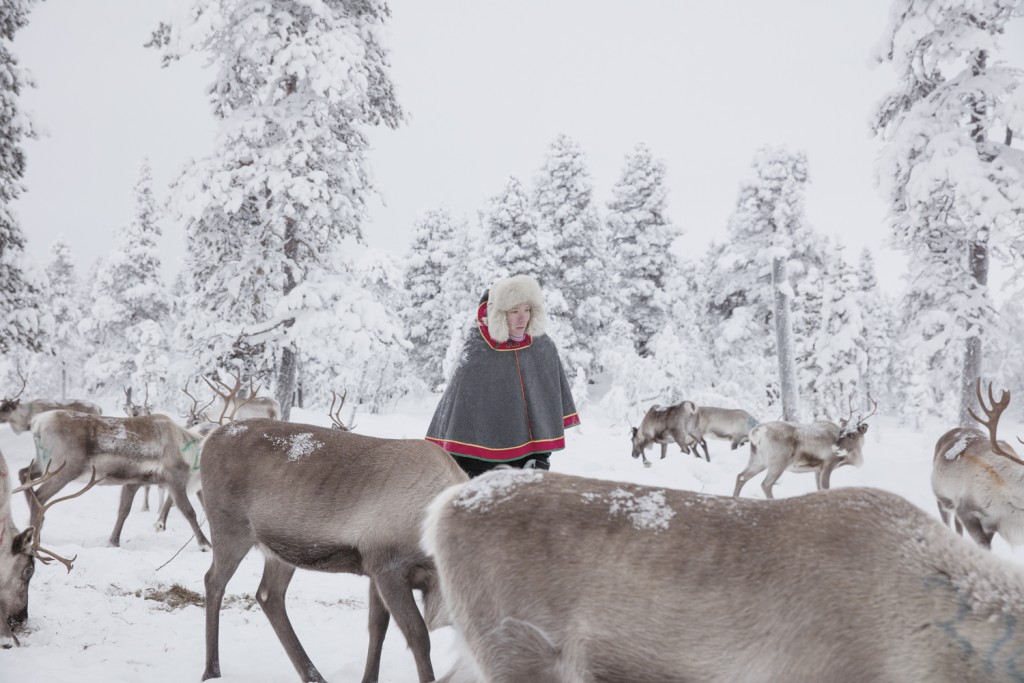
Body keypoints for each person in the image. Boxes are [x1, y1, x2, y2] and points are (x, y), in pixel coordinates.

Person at [426, 274, 580, 477]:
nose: (522, 318)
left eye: (527, 310)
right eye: (514, 311)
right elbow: (459, 415)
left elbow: (545, 407)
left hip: (528, 464)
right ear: (499, 315)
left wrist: (541, 457)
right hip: (478, 464)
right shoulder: (478, 350)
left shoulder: (542, 347)